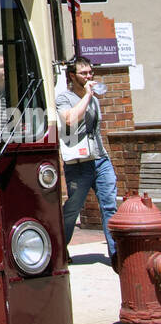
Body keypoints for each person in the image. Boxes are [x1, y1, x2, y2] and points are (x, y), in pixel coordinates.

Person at [56, 57, 119, 269]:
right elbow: (70, 120)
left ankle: (116, 254)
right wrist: (88, 95)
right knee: (73, 208)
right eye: (84, 73)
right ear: (72, 76)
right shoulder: (64, 98)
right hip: (78, 163)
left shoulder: (94, 100)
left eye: (91, 72)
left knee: (109, 206)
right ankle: (59, 250)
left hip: (100, 160)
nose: (89, 76)